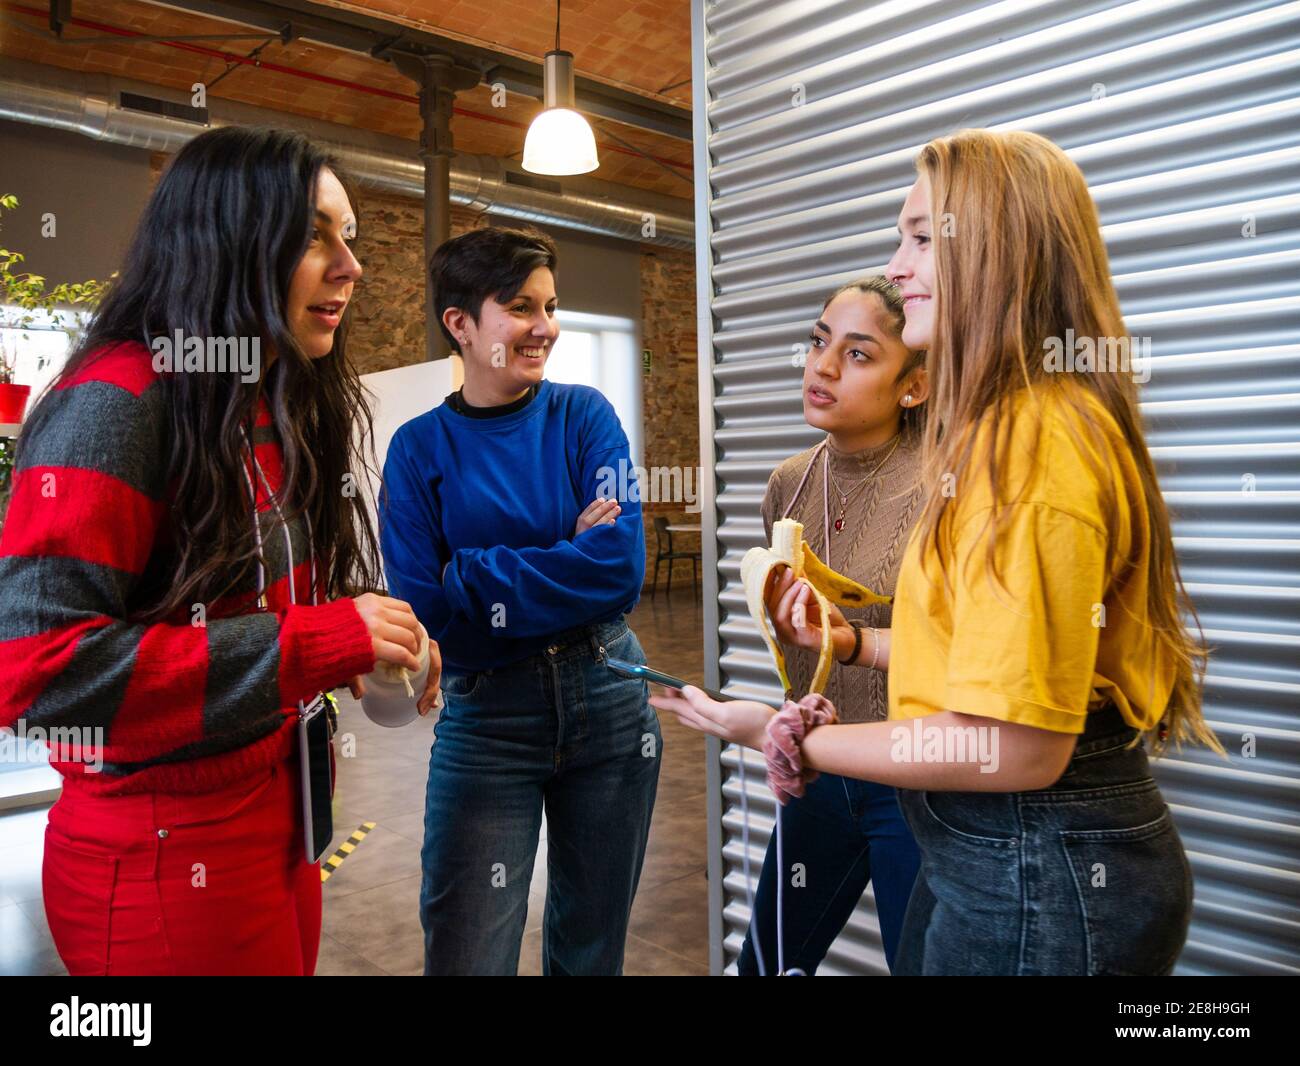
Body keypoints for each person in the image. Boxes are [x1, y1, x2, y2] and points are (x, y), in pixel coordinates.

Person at [653, 129, 1224, 976]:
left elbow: (1017, 745)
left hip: (1038, 866)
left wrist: (787, 738)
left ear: (997, 251)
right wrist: (853, 644)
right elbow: (991, 658)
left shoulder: (1030, 444)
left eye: (922, 237)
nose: (900, 265)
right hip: (1009, 858)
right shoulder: (1013, 429)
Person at [0, 126, 431, 976]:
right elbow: (35, 674)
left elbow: (260, 607)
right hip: (163, 853)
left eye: (349, 237)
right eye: (315, 235)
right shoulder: (115, 403)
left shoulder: (262, 398)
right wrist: (315, 643)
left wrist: (365, 641)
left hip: (274, 820)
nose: (351, 266)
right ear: (228, 239)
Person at [379, 225, 661, 976]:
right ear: (461, 324)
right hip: (486, 722)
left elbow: (620, 570)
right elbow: (426, 609)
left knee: (591, 949)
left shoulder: (586, 417)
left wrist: (471, 573)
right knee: (469, 946)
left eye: (551, 305)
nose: (545, 328)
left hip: (609, 699)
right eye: (519, 306)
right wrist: (563, 555)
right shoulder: (417, 449)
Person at [738, 277, 927, 975]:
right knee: (766, 963)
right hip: (821, 770)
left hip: (916, 783)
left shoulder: (952, 483)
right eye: (820, 342)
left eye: (857, 354)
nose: (821, 366)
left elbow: (965, 654)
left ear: (913, 386)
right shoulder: (788, 483)